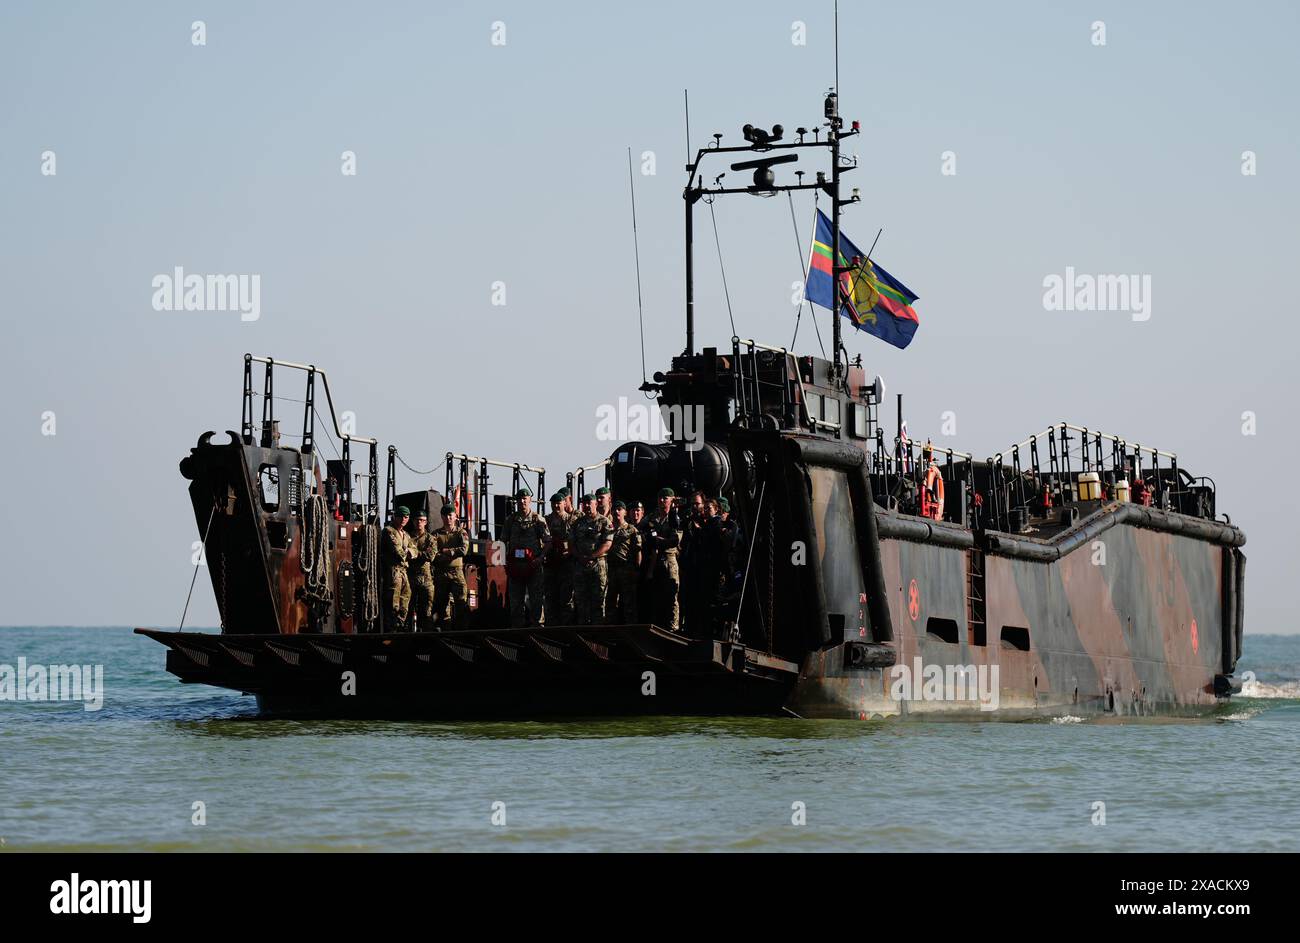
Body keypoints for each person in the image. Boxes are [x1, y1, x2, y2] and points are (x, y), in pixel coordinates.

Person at [501, 487, 550, 627]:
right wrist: (504, 562)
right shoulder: (510, 520)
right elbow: (502, 542)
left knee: (536, 601)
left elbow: (548, 542)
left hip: (533, 566)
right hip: (515, 568)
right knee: (516, 602)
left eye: (525, 499)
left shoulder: (537, 519)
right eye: (520, 499)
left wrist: (540, 558)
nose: (522, 501)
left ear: (530, 500)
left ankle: (537, 629)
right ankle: (518, 631)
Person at [643, 487, 684, 631]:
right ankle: (657, 625)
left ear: (672, 500)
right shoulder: (652, 517)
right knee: (656, 594)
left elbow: (674, 540)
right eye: (660, 498)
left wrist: (659, 540)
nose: (662, 501)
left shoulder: (676, 518)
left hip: (669, 559)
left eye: (665, 498)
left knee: (672, 595)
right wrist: (658, 539)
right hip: (655, 559)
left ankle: (673, 626)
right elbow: (646, 533)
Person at [570, 494, 613, 625]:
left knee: (598, 599)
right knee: (581, 599)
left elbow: (607, 543)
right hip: (580, 565)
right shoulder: (577, 523)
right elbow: (571, 544)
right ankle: (583, 628)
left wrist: (591, 556)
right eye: (585, 503)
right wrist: (580, 557)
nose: (587, 506)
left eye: (590, 503)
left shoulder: (605, 522)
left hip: (598, 565)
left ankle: (598, 629)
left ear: (596, 504)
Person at [433, 503, 470, 630]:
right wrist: (447, 555)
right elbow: (433, 553)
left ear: (455, 516)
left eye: (450, 515)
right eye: (445, 515)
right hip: (441, 572)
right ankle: (446, 631)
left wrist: (447, 551)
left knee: (461, 602)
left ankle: (461, 632)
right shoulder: (436, 534)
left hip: (457, 572)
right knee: (442, 605)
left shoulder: (461, 532)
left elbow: (464, 550)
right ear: (442, 517)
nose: (448, 518)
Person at [381, 505, 418, 631]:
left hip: (403, 571)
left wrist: (410, 552)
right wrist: (408, 552)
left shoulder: (406, 535)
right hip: (393, 571)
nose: (404, 519)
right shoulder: (389, 531)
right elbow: (398, 552)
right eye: (401, 516)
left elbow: (415, 550)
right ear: (395, 517)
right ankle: (392, 628)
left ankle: (400, 624)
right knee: (393, 601)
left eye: (406, 517)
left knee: (406, 597)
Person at [606, 500, 642, 623]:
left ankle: (630, 630)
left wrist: (636, 570)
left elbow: (637, 551)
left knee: (629, 603)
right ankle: (611, 630)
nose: (617, 511)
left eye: (620, 509)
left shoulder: (631, 530)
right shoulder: (607, 529)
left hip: (626, 570)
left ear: (625, 512)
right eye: (614, 509)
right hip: (610, 570)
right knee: (610, 602)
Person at [544, 492, 576, 625]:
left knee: (566, 597)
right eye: (554, 503)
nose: (556, 506)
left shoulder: (572, 520)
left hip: (567, 564)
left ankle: (566, 625)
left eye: (559, 503)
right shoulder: (545, 520)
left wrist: (570, 550)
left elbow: (578, 540)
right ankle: (552, 625)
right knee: (550, 596)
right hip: (550, 564)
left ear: (564, 503)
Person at [410, 509, 437, 632]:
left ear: (426, 522)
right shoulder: (407, 537)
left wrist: (415, 554)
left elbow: (430, 556)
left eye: (422, 520)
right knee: (408, 608)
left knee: (427, 610)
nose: (419, 523)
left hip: (426, 579)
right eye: (417, 520)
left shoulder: (430, 539)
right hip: (410, 578)